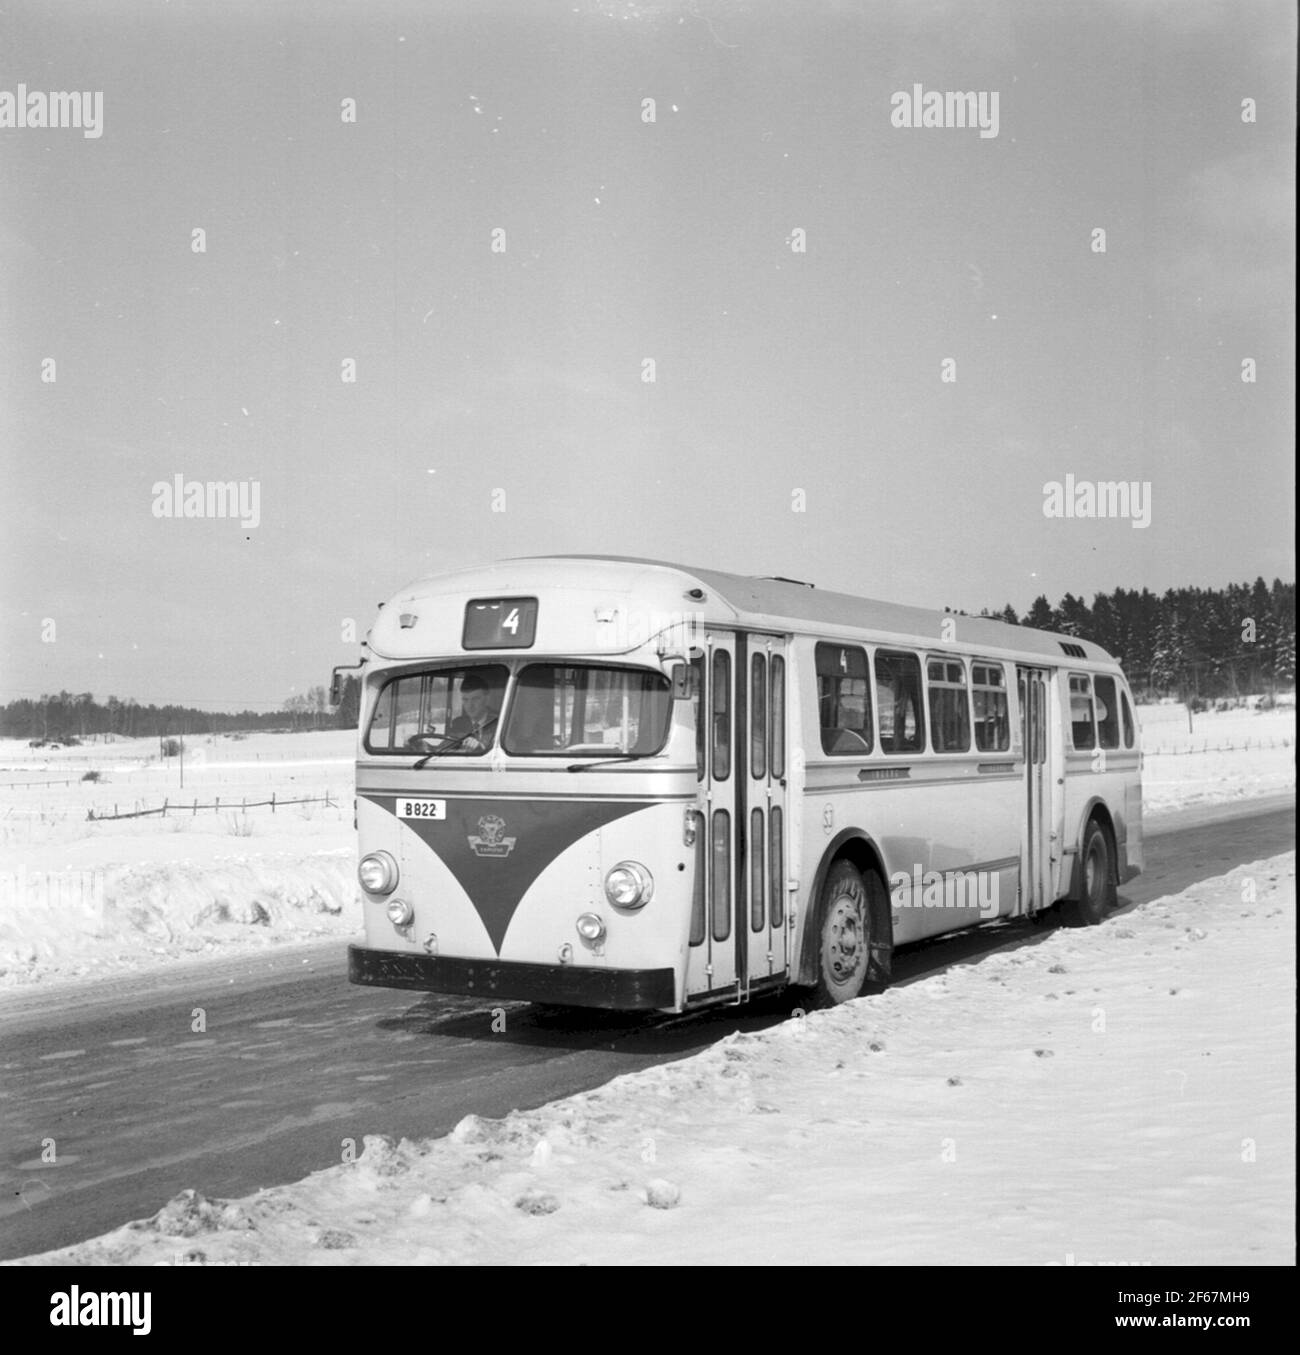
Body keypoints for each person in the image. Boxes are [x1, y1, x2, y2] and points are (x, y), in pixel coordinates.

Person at [448, 674, 499, 751]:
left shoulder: (500, 722)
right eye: (465, 700)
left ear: (487, 699)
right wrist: (428, 747)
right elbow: (446, 748)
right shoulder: (458, 723)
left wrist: (480, 749)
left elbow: (507, 753)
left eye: (475, 699)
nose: (470, 705)